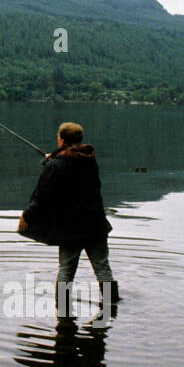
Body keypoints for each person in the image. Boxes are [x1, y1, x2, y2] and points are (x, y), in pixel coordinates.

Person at [18, 122, 118, 310]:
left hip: (72, 229)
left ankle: (63, 310)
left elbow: (42, 195)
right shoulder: (89, 159)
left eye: (58, 136)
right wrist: (54, 159)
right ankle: (112, 305)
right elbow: (70, 164)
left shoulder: (56, 165)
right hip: (96, 225)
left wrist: (27, 215)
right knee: (103, 268)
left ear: (62, 139)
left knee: (66, 269)